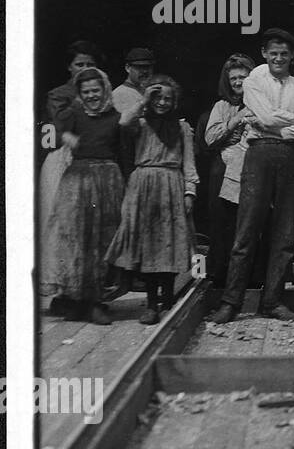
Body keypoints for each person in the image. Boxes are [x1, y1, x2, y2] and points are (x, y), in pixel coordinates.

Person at [211, 28, 294, 325]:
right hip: (257, 155)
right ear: (264, 54)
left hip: (291, 157)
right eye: (274, 53)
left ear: (292, 56)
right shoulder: (255, 78)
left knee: (284, 233)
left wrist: (277, 124)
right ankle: (231, 302)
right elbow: (268, 117)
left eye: (284, 53)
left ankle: (272, 301)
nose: (279, 58)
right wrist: (290, 120)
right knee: (246, 230)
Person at [106, 76, 198, 325]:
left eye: (168, 98)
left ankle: (167, 299)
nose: (163, 102)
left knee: (168, 245)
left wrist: (190, 192)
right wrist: (143, 101)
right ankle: (150, 304)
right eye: (158, 97)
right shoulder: (141, 124)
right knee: (148, 247)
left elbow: (189, 163)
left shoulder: (182, 128)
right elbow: (123, 121)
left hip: (171, 185)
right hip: (143, 186)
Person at [49, 68, 126, 324]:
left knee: (103, 241)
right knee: (76, 240)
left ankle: (96, 302)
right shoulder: (74, 113)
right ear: (79, 94)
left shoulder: (116, 117)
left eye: (96, 90)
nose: (92, 95)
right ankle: (77, 300)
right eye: (86, 92)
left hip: (108, 179)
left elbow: (124, 151)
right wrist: (64, 135)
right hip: (78, 181)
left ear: (104, 89)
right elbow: (52, 130)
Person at [41, 41, 107, 311]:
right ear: (70, 67)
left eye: (90, 64)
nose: (85, 69)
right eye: (80, 64)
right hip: (66, 160)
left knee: (90, 230)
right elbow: (62, 126)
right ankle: (65, 292)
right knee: (65, 229)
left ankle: (85, 292)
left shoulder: (100, 90)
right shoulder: (60, 94)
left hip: (93, 160)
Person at [202, 54, 255, 288]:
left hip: (252, 167)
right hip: (223, 169)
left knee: (248, 223)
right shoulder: (222, 106)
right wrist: (235, 121)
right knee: (221, 222)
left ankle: (248, 279)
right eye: (233, 77)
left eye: (242, 76)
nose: (237, 81)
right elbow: (210, 138)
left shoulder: (260, 102)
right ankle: (217, 277)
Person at [112, 47, 156, 115]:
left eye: (148, 67)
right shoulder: (119, 94)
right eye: (139, 67)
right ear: (128, 68)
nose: (144, 71)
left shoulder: (149, 91)